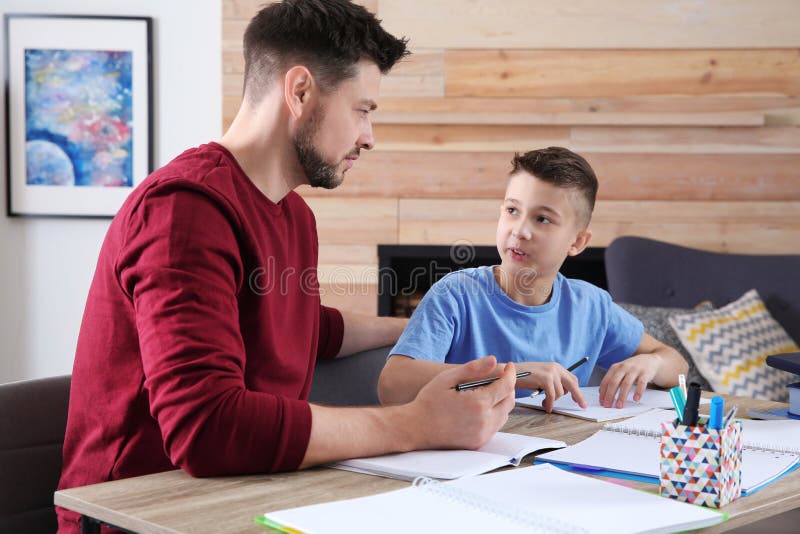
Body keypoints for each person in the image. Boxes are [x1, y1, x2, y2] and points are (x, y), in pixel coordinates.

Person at [56, 1, 518, 531]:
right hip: (145, 517)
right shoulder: (183, 211)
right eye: (363, 109)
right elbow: (206, 428)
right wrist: (414, 425)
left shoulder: (293, 215)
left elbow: (297, 324)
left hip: (251, 499)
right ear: (299, 90)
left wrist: (425, 327)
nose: (369, 137)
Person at [377, 147, 688, 411]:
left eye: (542, 219)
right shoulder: (456, 295)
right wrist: (513, 374)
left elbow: (676, 365)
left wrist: (652, 364)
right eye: (512, 210)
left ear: (577, 242)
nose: (519, 230)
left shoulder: (590, 306)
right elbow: (393, 385)